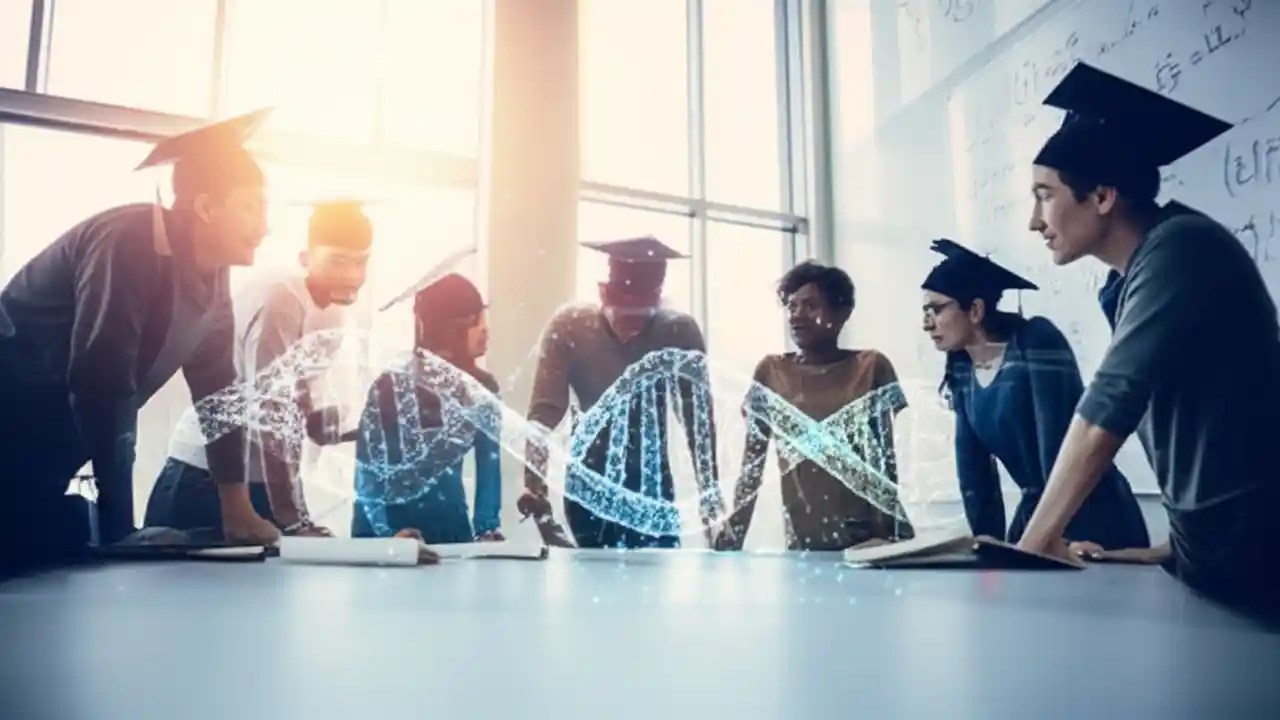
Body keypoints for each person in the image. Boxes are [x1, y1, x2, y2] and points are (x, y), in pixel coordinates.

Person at [1017, 62, 1280, 614]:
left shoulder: (1181, 246)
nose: (1034, 222)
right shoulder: (1128, 280)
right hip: (1211, 556)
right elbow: (1200, 426)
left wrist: (1035, 545)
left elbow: (1109, 405)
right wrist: (1163, 549)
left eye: (1044, 195)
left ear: (1103, 196)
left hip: (1257, 562)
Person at [0, 110, 279, 575]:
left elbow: (220, 392)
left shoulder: (213, 273)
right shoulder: (132, 240)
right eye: (251, 206)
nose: (264, 226)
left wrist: (237, 507)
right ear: (207, 207)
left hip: (45, 457)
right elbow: (101, 380)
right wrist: (121, 529)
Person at [144, 199, 375, 538]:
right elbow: (271, 413)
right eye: (338, 261)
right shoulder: (280, 299)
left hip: (261, 482)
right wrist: (293, 519)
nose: (352, 275)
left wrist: (321, 421)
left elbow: (291, 400)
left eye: (361, 261)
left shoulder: (335, 314)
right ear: (306, 258)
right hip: (205, 479)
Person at [920, 239, 1147, 549]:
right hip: (1037, 515)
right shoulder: (961, 368)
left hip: (1090, 513)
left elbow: (1054, 446)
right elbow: (973, 472)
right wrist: (987, 540)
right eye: (924, 311)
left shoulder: (1035, 340)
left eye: (935, 309)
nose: (926, 323)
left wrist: (1045, 537)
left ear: (975, 309)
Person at [520, 236, 723, 549]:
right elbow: (542, 418)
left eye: (642, 314)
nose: (632, 326)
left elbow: (698, 423)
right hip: (587, 489)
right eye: (625, 311)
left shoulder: (677, 331)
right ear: (605, 293)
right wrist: (537, 495)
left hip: (652, 491)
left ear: (657, 300)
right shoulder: (571, 327)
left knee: (654, 584)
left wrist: (710, 501)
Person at [716, 261, 914, 551]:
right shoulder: (771, 372)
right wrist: (729, 541)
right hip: (805, 543)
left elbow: (885, 462)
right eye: (792, 306)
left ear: (842, 313)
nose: (797, 316)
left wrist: (886, 540)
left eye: (810, 306)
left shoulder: (871, 367)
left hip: (870, 541)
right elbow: (751, 466)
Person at [351, 273, 504, 543]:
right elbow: (367, 472)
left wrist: (487, 528)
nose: (486, 330)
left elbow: (488, 467)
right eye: (476, 321)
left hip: (451, 533)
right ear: (449, 329)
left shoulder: (482, 390)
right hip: (388, 535)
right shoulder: (389, 387)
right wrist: (387, 535)